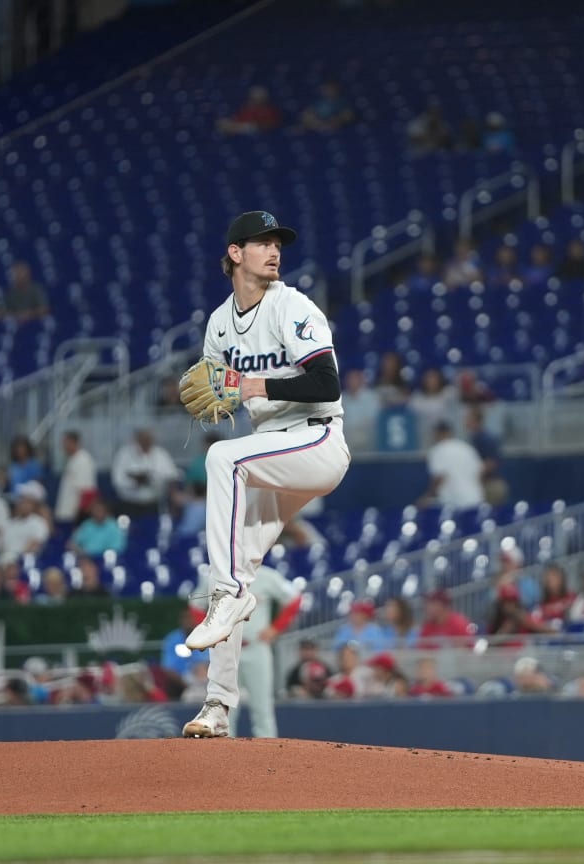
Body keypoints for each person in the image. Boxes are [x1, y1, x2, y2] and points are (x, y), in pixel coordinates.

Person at [179, 211, 352, 737]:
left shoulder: (290, 305)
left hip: (317, 438)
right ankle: (217, 706)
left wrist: (257, 387)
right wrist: (211, 398)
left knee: (222, 459)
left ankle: (230, 596)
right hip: (269, 454)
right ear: (236, 253)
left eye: (278, 243)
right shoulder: (218, 323)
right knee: (229, 571)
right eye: (262, 242)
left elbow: (327, 383)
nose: (274, 250)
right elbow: (214, 388)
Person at [191, 564, 300, 739]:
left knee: (262, 706)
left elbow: (294, 599)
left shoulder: (266, 575)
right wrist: (210, 632)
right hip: (226, 648)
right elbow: (195, 604)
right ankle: (223, 754)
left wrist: (275, 629)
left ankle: (268, 752)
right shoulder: (216, 575)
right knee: (224, 706)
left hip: (256, 647)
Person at [111, 429, 180, 517]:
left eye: (148, 439)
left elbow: (172, 476)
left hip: (153, 504)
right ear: (136, 440)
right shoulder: (124, 454)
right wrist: (135, 481)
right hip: (129, 504)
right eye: (143, 439)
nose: (146, 442)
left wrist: (152, 480)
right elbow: (117, 480)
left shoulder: (161, 454)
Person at [417, 421, 483, 510]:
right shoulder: (467, 448)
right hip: (475, 498)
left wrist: (428, 497)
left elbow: (439, 478)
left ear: (439, 433)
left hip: (454, 503)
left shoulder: (437, 450)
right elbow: (479, 472)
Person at [54, 430, 98, 525]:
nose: (64, 447)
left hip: (76, 514)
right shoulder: (72, 459)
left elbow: (87, 490)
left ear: (74, 443)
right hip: (67, 512)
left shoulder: (83, 460)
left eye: (66, 443)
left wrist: (80, 516)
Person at [217, 85, 281, 136]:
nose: (254, 100)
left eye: (258, 98)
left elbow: (271, 124)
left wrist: (257, 125)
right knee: (222, 122)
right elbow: (239, 118)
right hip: (242, 126)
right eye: (253, 98)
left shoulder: (269, 110)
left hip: (256, 129)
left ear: (264, 99)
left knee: (248, 127)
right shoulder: (247, 108)